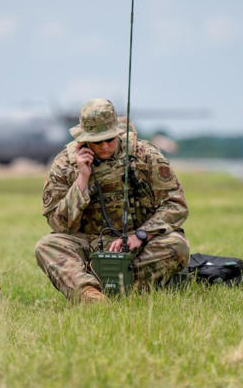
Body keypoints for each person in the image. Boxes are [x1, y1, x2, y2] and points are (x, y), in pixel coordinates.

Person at [35, 98, 190, 303]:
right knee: (46, 246)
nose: (106, 146)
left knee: (177, 245)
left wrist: (141, 235)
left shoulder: (144, 155)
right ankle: (89, 296)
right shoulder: (65, 164)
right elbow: (59, 224)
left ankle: (128, 292)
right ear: (84, 140)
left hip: (137, 246)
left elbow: (176, 205)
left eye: (110, 139)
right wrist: (82, 179)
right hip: (89, 246)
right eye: (98, 142)